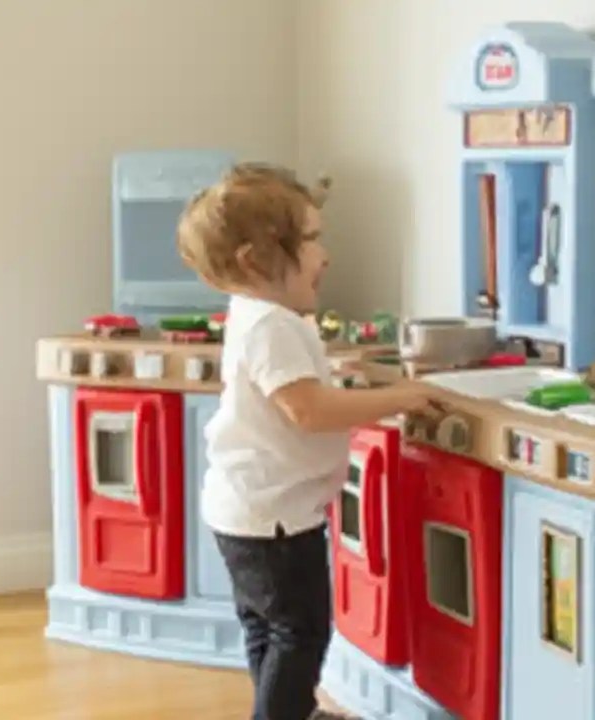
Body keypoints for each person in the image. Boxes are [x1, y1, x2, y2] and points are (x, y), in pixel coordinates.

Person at [177, 163, 444, 720]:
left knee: (267, 629)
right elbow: (309, 410)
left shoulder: (258, 316)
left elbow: (295, 393)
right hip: (275, 520)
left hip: (246, 511)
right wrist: (402, 397)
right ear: (257, 261)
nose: (326, 256)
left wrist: (343, 380)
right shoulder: (272, 325)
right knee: (300, 632)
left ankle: (289, 710)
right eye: (313, 240)